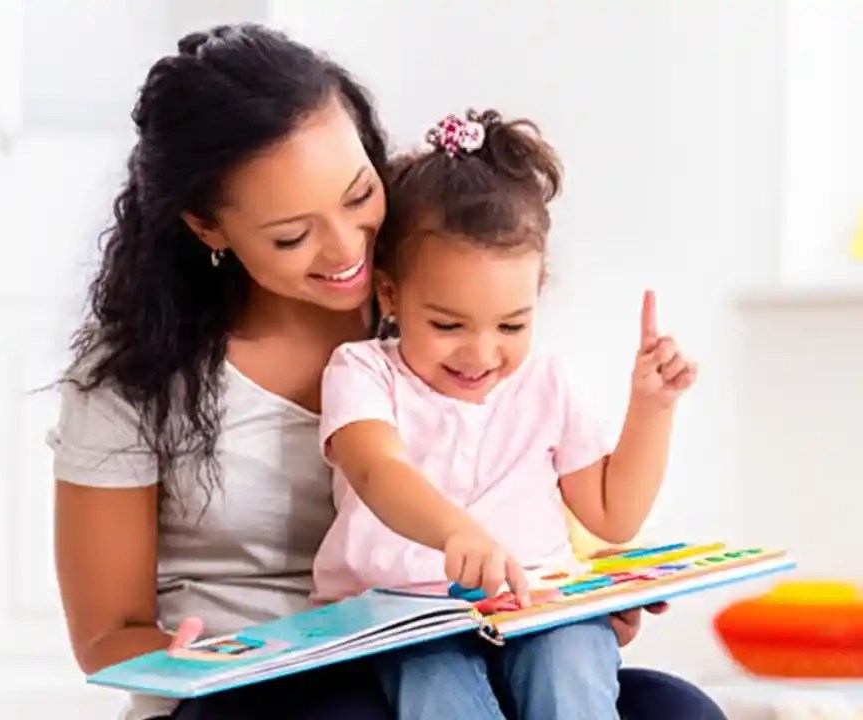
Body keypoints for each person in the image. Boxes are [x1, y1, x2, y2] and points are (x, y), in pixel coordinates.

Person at [50, 22, 724, 720]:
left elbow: (539, 483)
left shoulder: (442, 307)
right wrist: (182, 657)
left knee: (677, 711)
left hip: (460, 636)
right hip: (262, 691)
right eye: (292, 234)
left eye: (357, 196)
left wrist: (579, 596)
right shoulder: (136, 377)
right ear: (207, 227)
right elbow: (106, 633)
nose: (348, 249)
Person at [311, 109, 697, 720]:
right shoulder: (362, 371)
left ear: (535, 296)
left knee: (573, 664)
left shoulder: (548, 382)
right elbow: (377, 469)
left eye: (511, 325)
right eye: (447, 325)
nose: (481, 354)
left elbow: (613, 514)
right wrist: (454, 532)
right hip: (404, 616)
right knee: (436, 687)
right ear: (390, 295)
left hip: (537, 604)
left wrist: (653, 408)